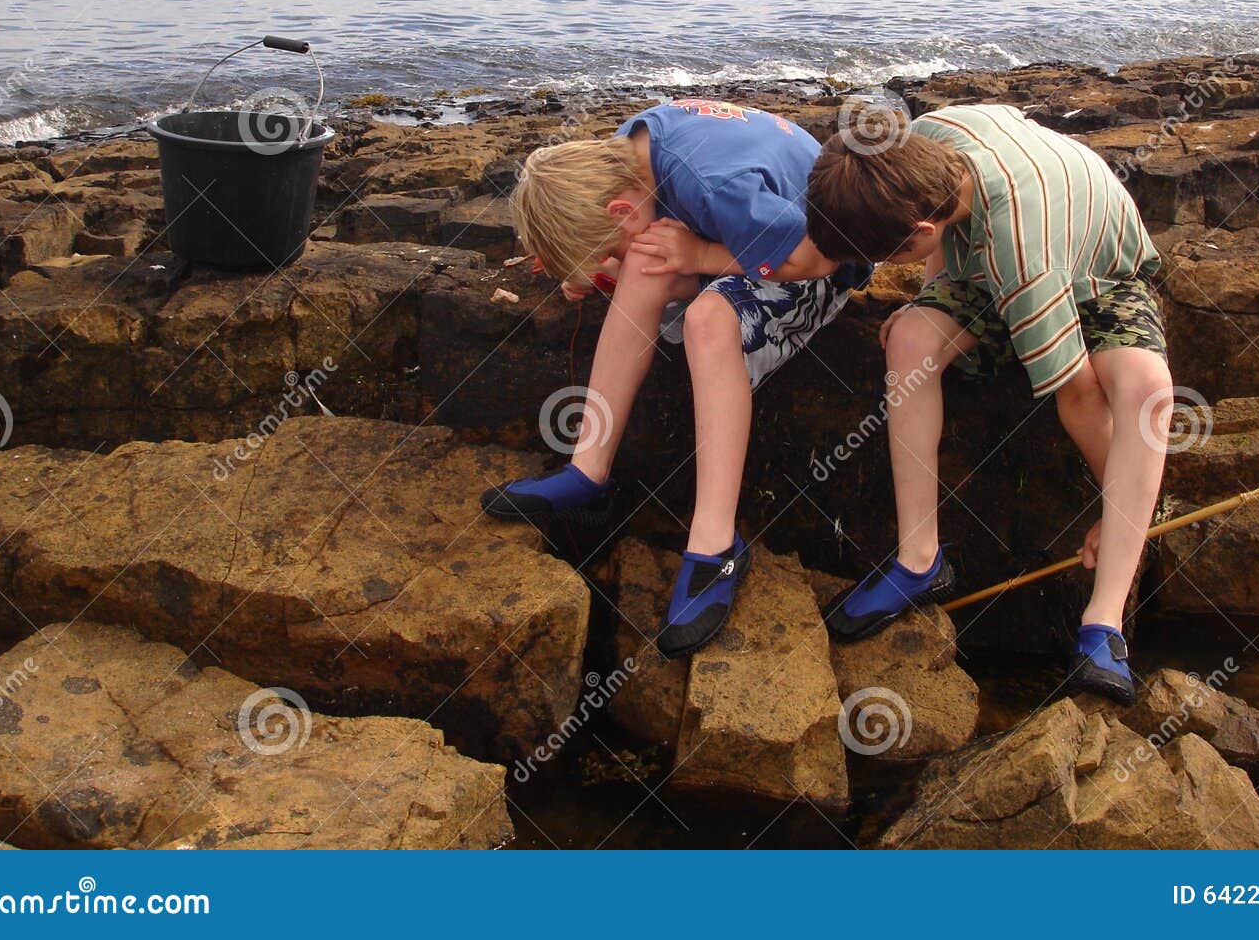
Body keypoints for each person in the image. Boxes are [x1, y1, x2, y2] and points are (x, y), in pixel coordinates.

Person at [802, 105, 1173, 706]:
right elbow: (1009, 117)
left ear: (922, 233)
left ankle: (1102, 623)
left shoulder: (1021, 256)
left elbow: (1078, 395)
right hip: (985, 258)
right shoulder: (924, 139)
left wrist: (1119, 508)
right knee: (911, 340)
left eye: (881, 259)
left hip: (1100, 272)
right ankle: (919, 557)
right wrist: (930, 294)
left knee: (1144, 387)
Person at [484, 99, 867, 657]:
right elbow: (642, 239)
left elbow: (814, 256)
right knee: (645, 259)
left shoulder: (714, 185)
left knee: (707, 321)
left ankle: (715, 543)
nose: (608, 261)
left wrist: (701, 253)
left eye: (606, 245)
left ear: (619, 210)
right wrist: (595, 265)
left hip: (817, 256)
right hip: (751, 233)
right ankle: (588, 469)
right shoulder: (626, 150)